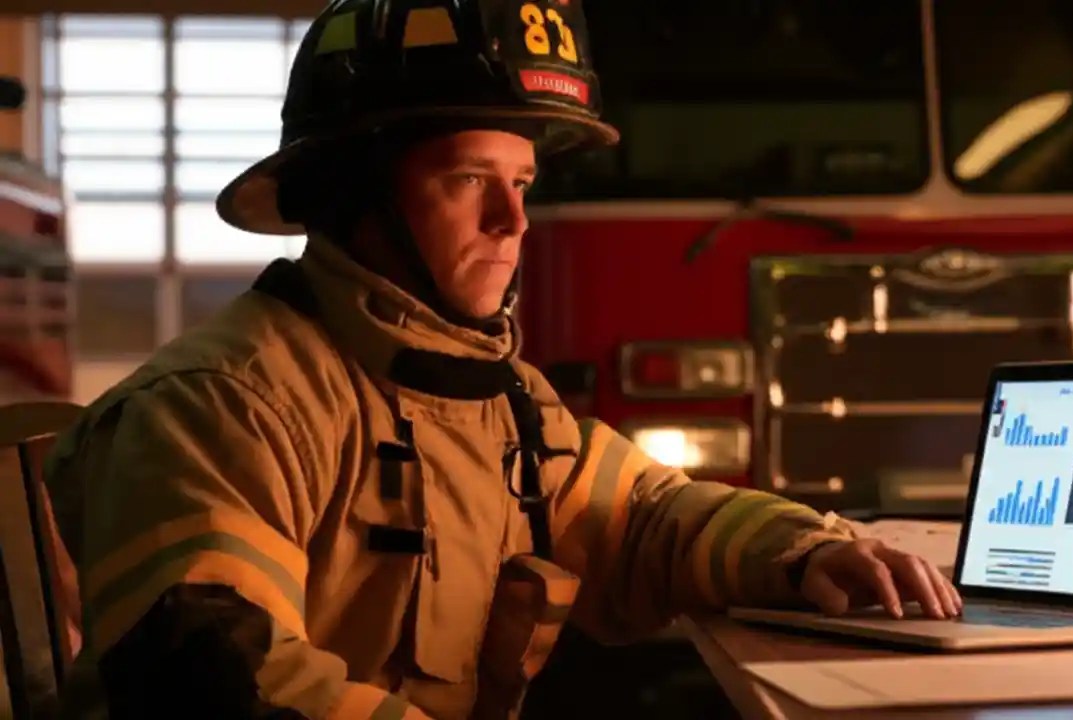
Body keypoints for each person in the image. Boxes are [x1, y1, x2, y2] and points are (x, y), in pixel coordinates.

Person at [43, 1, 960, 718]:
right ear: (352, 191)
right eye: (468, 180)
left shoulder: (501, 400)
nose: (513, 223)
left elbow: (644, 516)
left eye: (521, 183)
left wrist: (802, 552)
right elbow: (216, 679)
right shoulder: (222, 406)